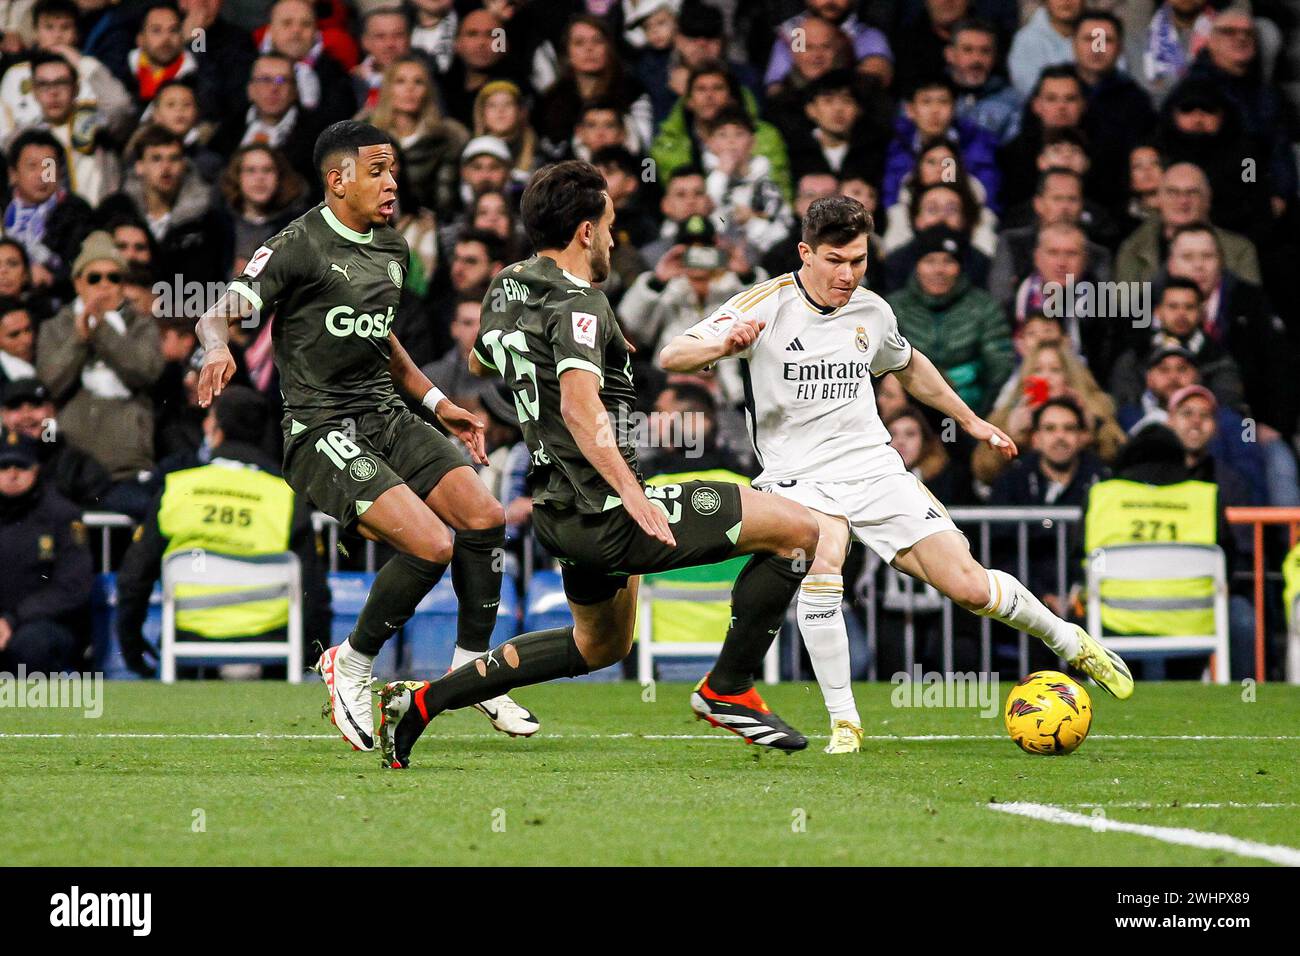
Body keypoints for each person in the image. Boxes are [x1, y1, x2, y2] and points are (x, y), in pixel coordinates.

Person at [377, 159, 823, 768]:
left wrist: (592, 348)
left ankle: (424, 702)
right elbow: (584, 411)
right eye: (610, 225)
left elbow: (484, 362)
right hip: (608, 507)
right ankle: (729, 687)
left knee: (600, 645)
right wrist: (632, 494)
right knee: (800, 531)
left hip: (559, 512)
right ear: (586, 231)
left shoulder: (508, 283)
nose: (614, 238)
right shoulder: (578, 302)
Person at [660, 195, 1133, 755]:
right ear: (805, 253)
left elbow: (909, 366)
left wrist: (971, 420)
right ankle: (846, 723)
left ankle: (1069, 640)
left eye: (858, 260)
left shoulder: (872, 310)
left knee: (970, 586)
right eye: (835, 260)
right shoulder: (766, 303)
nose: (848, 273)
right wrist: (720, 342)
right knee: (824, 553)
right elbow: (673, 355)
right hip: (797, 477)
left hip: (874, 467)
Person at [194, 120, 539, 751]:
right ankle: (350, 661)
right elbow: (218, 312)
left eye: (393, 169)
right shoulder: (296, 245)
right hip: (320, 427)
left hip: (386, 415)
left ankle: (469, 665)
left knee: (485, 516)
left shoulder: (393, 249)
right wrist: (216, 349)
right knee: (433, 544)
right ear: (337, 179)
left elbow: (379, 338)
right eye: (376, 171)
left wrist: (438, 402)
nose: (391, 182)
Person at [114, 385, 330, 677]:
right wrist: (311, 655)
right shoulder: (286, 497)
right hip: (272, 643)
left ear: (216, 428)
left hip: (189, 640)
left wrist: (133, 649)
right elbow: (313, 590)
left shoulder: (176, 489)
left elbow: (133, 578)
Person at [36, 231, 164, 517]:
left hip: (126, 470)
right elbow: (48, 384)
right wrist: (79, 340)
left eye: (113, 278)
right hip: (69, 469)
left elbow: (146, 373)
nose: (104, 286)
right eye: (94, 278)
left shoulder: (142, 327)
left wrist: (102, 331)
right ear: (78, 282)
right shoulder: (54, 328)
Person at [0, 431, 92, 673]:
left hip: (44, 623)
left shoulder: (62, 516)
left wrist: (12, 619)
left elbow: (73, 587)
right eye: (4, 465)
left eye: (21, 465)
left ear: (36, 468)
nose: (12, 473)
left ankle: (32, 708)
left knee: (31, 646)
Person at [0, 376, 110, 510]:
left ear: (51, 411)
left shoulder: (77, 465)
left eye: (35, 405)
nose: (26, 415)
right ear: (4, 415)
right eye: (16, 407)